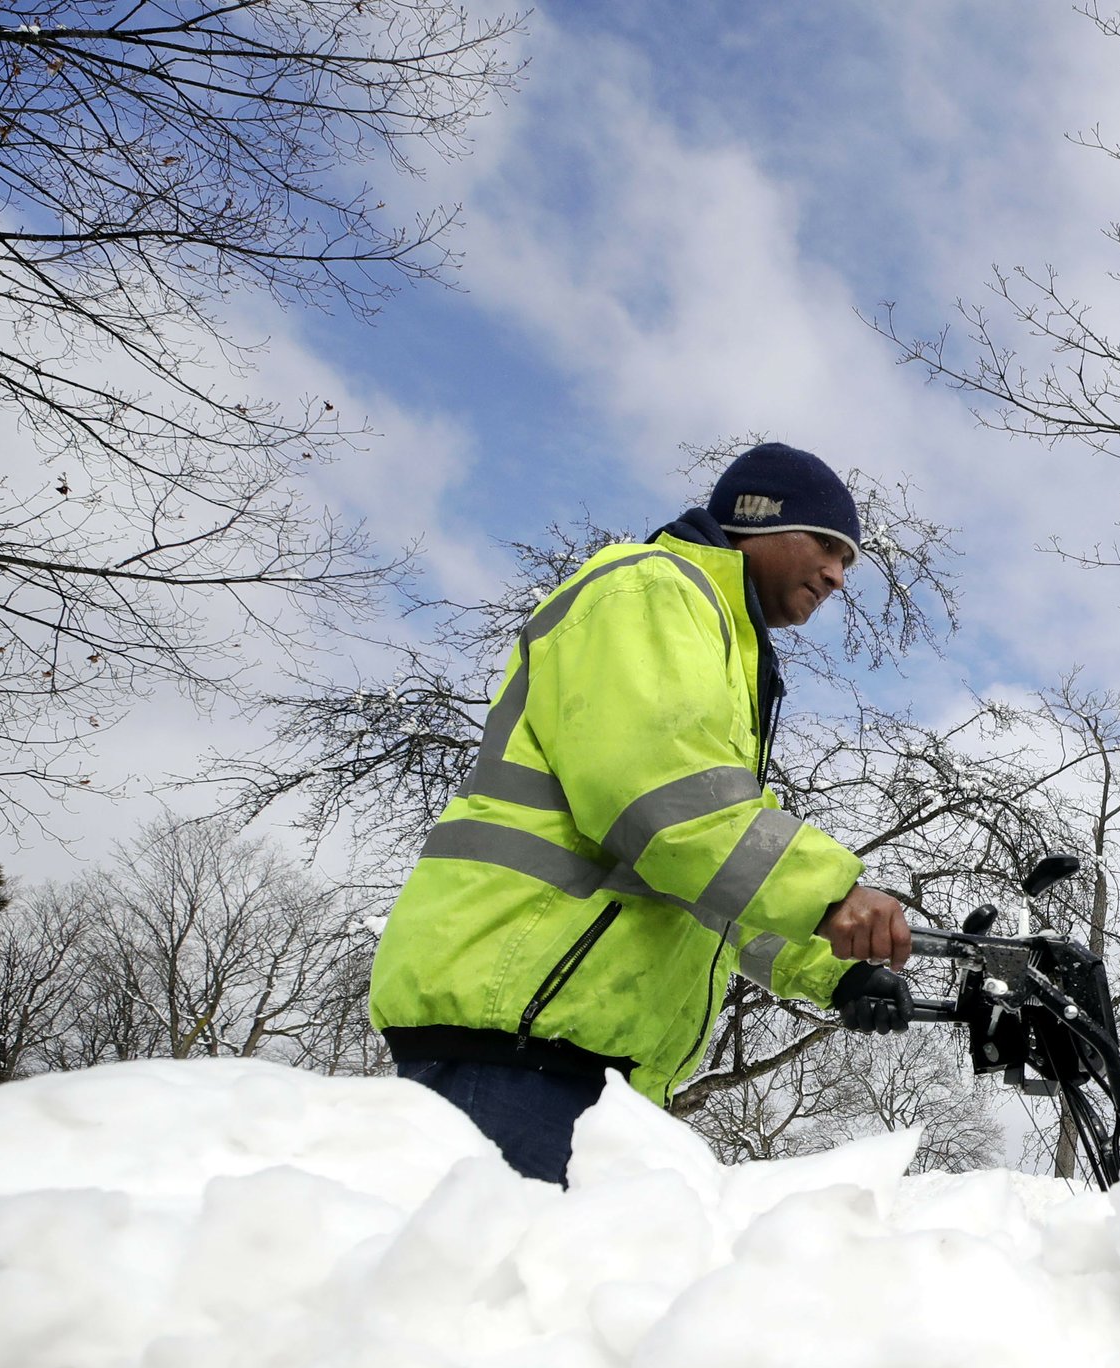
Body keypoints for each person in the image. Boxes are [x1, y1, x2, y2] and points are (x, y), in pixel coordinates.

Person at [368, 442, 921, 1181]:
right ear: (756, 519)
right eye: (827, 544)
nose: (836, 575)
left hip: (580, 1063)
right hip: (512, 1045)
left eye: (847, 561)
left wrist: (836, 971)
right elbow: (664, 800)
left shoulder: (722, 645)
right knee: (471, 1291)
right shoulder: (650, 591)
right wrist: (832, 895)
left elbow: (701, 876)